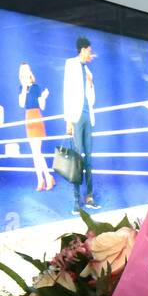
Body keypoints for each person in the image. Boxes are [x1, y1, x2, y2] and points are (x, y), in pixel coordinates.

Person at [63, 36, 97, 212]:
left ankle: (89, 197)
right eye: (89, 50)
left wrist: (90, 86)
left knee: (89, 159)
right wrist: (68, 120)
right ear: (83, 50)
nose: (90, 54)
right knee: (77, 160)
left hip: (87, 117)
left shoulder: (88, 71)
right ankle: (76, 202)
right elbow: (67, 93)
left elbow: (92, 99)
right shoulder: (71, 64)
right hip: (75, 118)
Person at [18, 62, 54, 192]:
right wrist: (23, 88)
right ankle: (43, 178)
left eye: (27, 70)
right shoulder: (21, 88)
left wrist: (43, 97)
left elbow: (42, 106)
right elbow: (22, 104)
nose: (25, 73)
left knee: (37, 152)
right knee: (35, 154)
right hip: (28, 118)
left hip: (37, 117)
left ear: (30, 71)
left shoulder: (36, 87)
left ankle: (46, 178)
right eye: (23, 71)